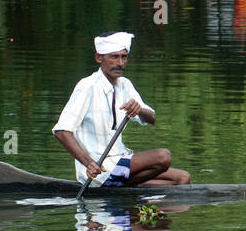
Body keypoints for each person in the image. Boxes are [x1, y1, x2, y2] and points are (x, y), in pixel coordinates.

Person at [52, 32, 190, 187]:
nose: (120, 63)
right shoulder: (87, 87)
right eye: (114, 57)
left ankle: (132, 203)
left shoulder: (124, 85)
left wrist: (139, 110)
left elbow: (152, 118)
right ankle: (123, 191)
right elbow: (62, 131)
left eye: (124, 57)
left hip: (122, 163)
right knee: (163, 156)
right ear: (99, 58)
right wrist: (89, 163)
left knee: (182, 179)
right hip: (99, 171)